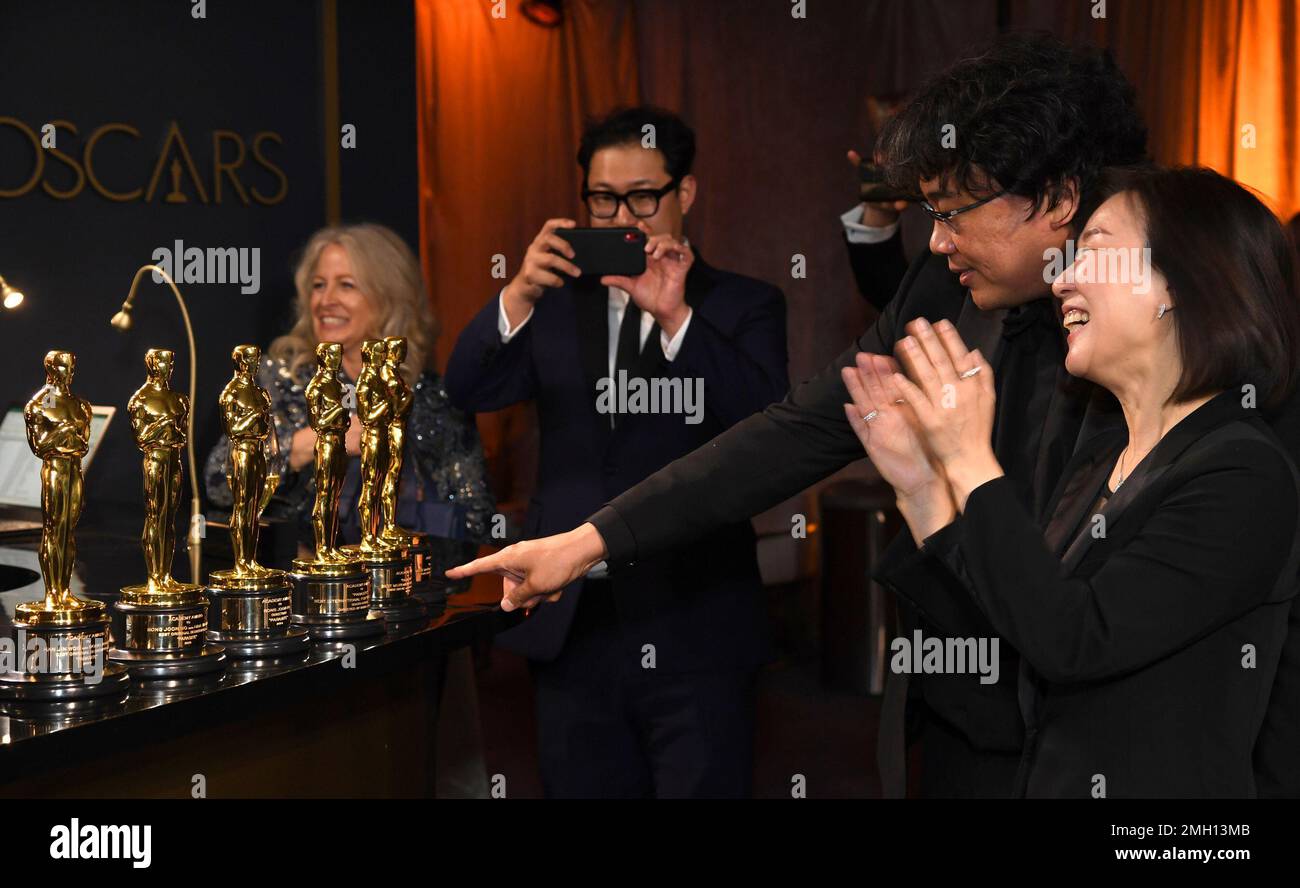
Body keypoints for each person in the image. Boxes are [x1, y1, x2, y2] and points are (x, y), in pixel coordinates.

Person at [449, 34, 1165, 798]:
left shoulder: (1169, 346)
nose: (937, 239)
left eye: (954, 212)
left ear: (1056, 200)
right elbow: (795, 430)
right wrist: (589, 541)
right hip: (963, 710)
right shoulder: (942, 285)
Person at [843, 166, 1300, 796]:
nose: (1062, 278)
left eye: (1097, 253)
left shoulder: (1244, 470)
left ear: (1183, 283)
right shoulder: (1099, 462)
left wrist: (970, 457)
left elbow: (1077, 640)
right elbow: (1009, 678)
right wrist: (925, 491)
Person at [443, 105, 788, 798]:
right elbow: (467, 388)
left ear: (684, 194)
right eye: (603, 199)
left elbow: (767, 427)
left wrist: (676, 318)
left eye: (642, 196)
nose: (621, 216)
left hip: (697, 621)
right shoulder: (555, 305)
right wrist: (517, 292)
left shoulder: (742, 304)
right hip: (572, 625)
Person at [204, 223, 493, 571]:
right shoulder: (283, 377)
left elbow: (477, 515)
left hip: (418, 588)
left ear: (388, 297)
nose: (326, 301)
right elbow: (220, 481)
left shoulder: (433, 395)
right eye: (318, 285)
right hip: (313, 588)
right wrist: (315, 442)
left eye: (347, 285)